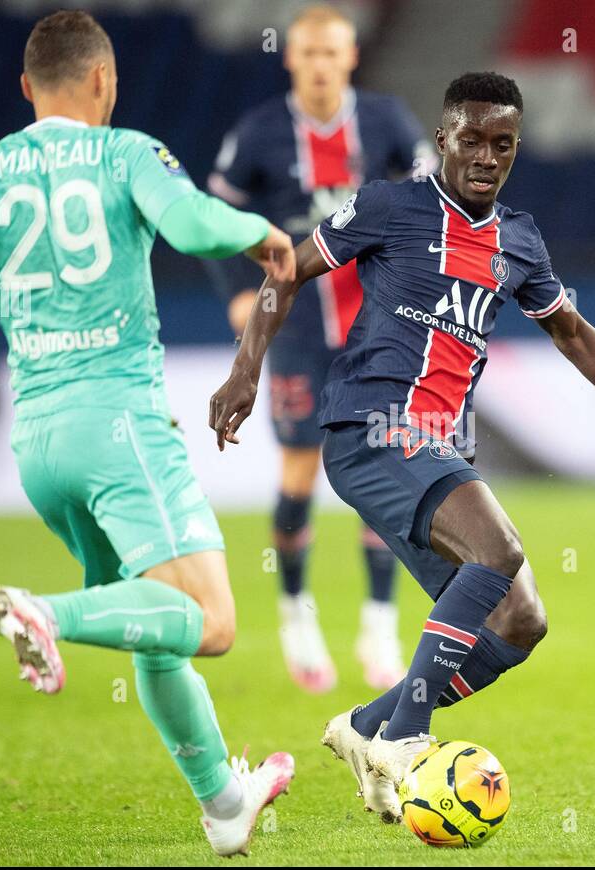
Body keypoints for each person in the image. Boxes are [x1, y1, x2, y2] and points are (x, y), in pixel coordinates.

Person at [0, 10, 296, 857]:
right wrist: (262, 234)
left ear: (25, 87)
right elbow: (194, 223)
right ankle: (40, 612)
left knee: (152, 621)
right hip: (120, 425)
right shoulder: (128, 153)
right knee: (212, 620)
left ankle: (225, 804)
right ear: (103, 81)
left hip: (39, 444)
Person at [209, 72, 595, 822]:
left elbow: (571, 333)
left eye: (502, 145)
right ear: (443, 139)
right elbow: (288, 268)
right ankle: (408, 738)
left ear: (515, 150)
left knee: (519, 620)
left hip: (438, 445)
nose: (486, 156)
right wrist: (246, 368)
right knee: (498, 552)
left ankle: (366, 727)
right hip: (372, 425)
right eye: (472, 139)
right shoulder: (390, 205)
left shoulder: (519, 238)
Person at [208, 4, 437, 693]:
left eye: (331, 53)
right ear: (291, 59)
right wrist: (236, 292)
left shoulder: (388, 120)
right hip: (301, 330)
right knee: (302, 469)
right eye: (308, 53)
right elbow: (212, 216)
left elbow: (433, 195)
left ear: (351, 58)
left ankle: (377, 626)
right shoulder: (259, 134)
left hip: (376, 330)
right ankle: (296, 612)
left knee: (384, 476)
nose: (319, 65)